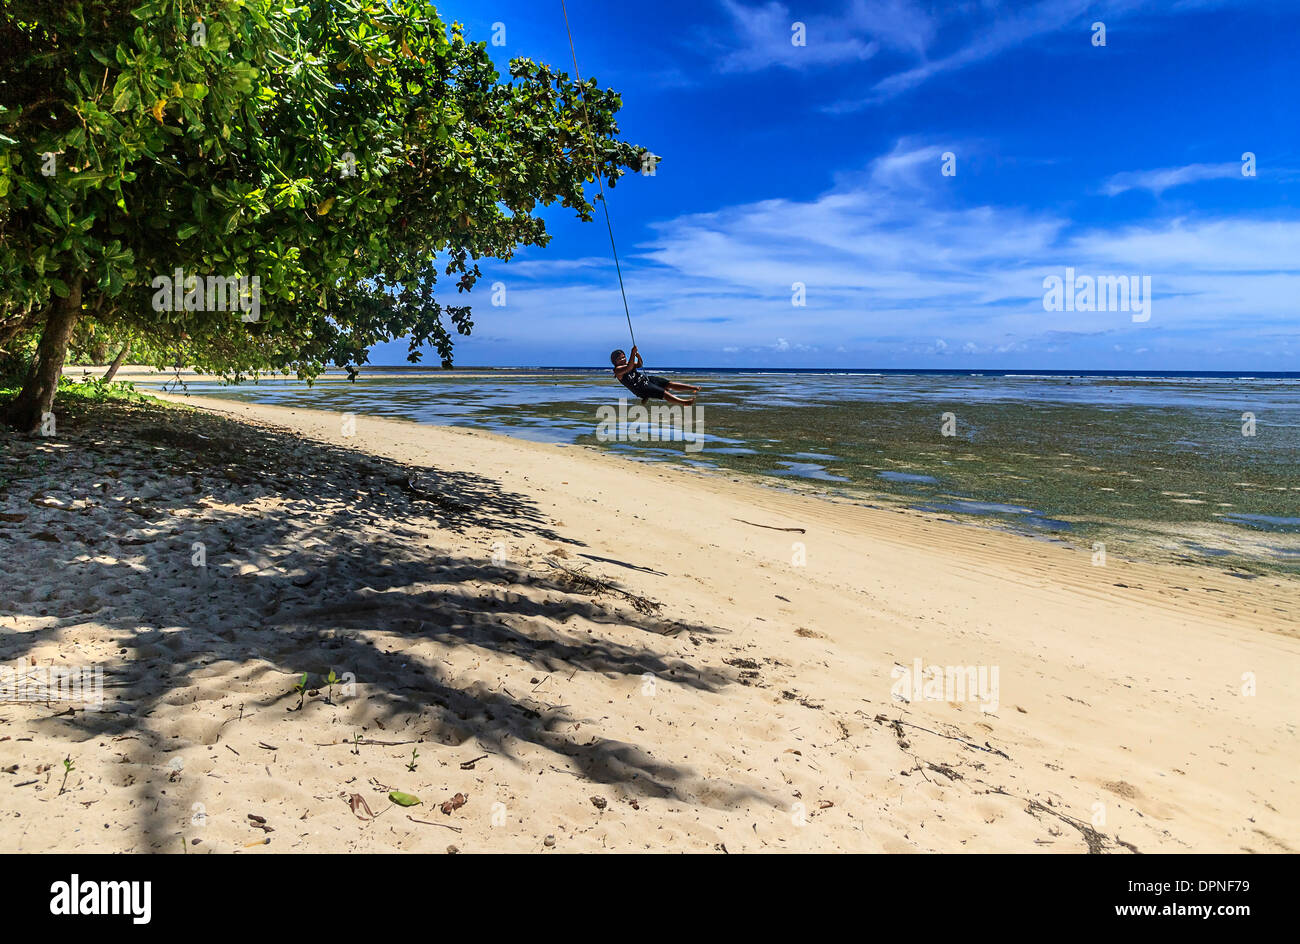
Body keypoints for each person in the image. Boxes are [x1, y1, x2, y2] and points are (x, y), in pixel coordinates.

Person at [610, 346, 699, 405]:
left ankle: (693, 388)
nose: (623, 359)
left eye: (623, 357)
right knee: (663, 393)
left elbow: (640, 364)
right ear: (615, 362)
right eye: (619, 359)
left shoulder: (627, 363)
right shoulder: (618, 370)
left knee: (668, 384)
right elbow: (629, 368)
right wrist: (632, 353)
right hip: (641, 388)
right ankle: (685, 403)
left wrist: (638, 356)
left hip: (646, 379)